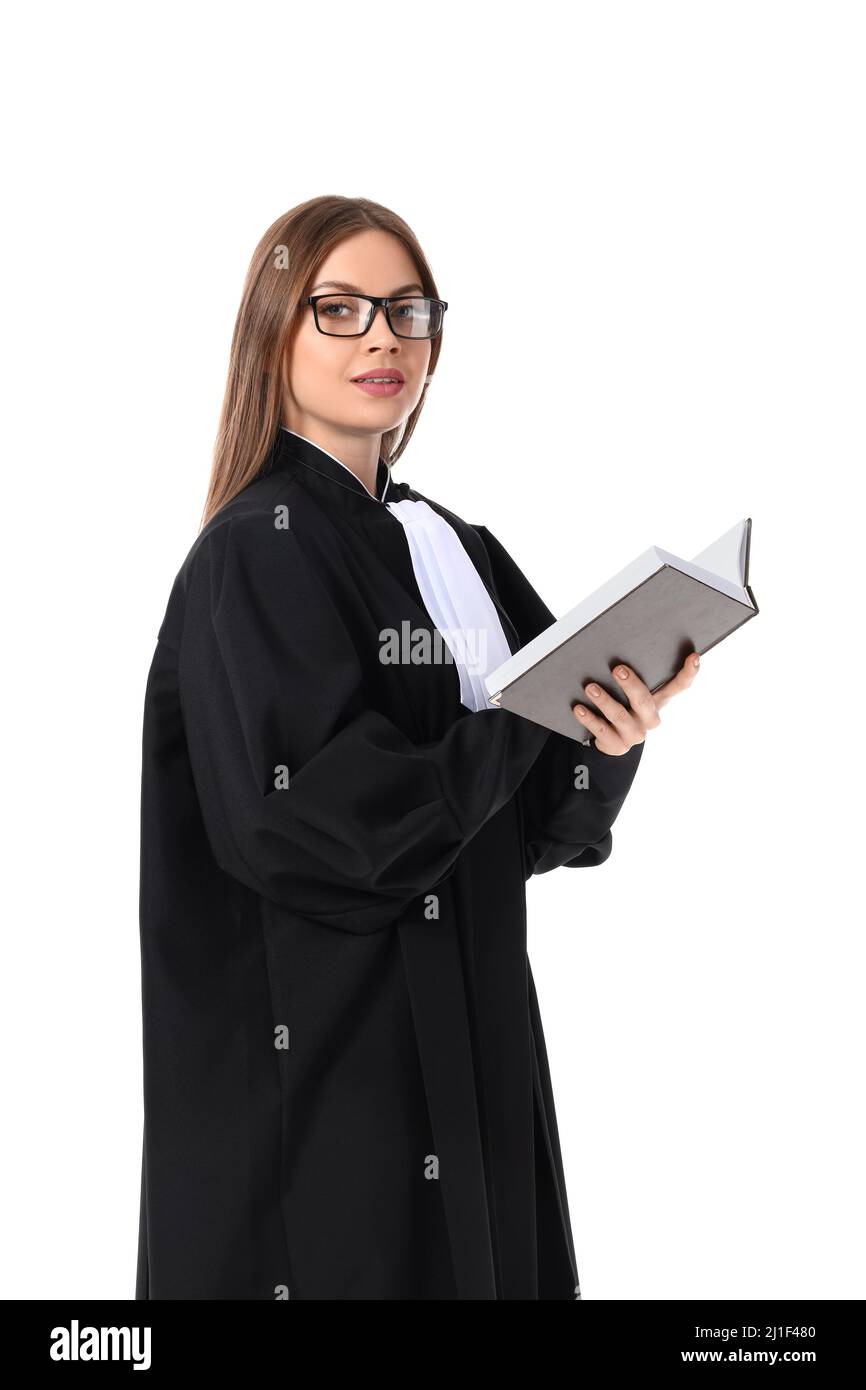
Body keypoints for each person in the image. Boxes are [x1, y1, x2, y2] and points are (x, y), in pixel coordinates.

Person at [135, 194, 699, 1301]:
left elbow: (533, 823)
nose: (382, 337)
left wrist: (608, 733)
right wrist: (519, 726)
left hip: (474, 1055)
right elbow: (322, 826)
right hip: (335, 1070)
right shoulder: (254, 554)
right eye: (337, 309)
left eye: (406, 310)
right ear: (272, 334)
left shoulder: (455, 547)